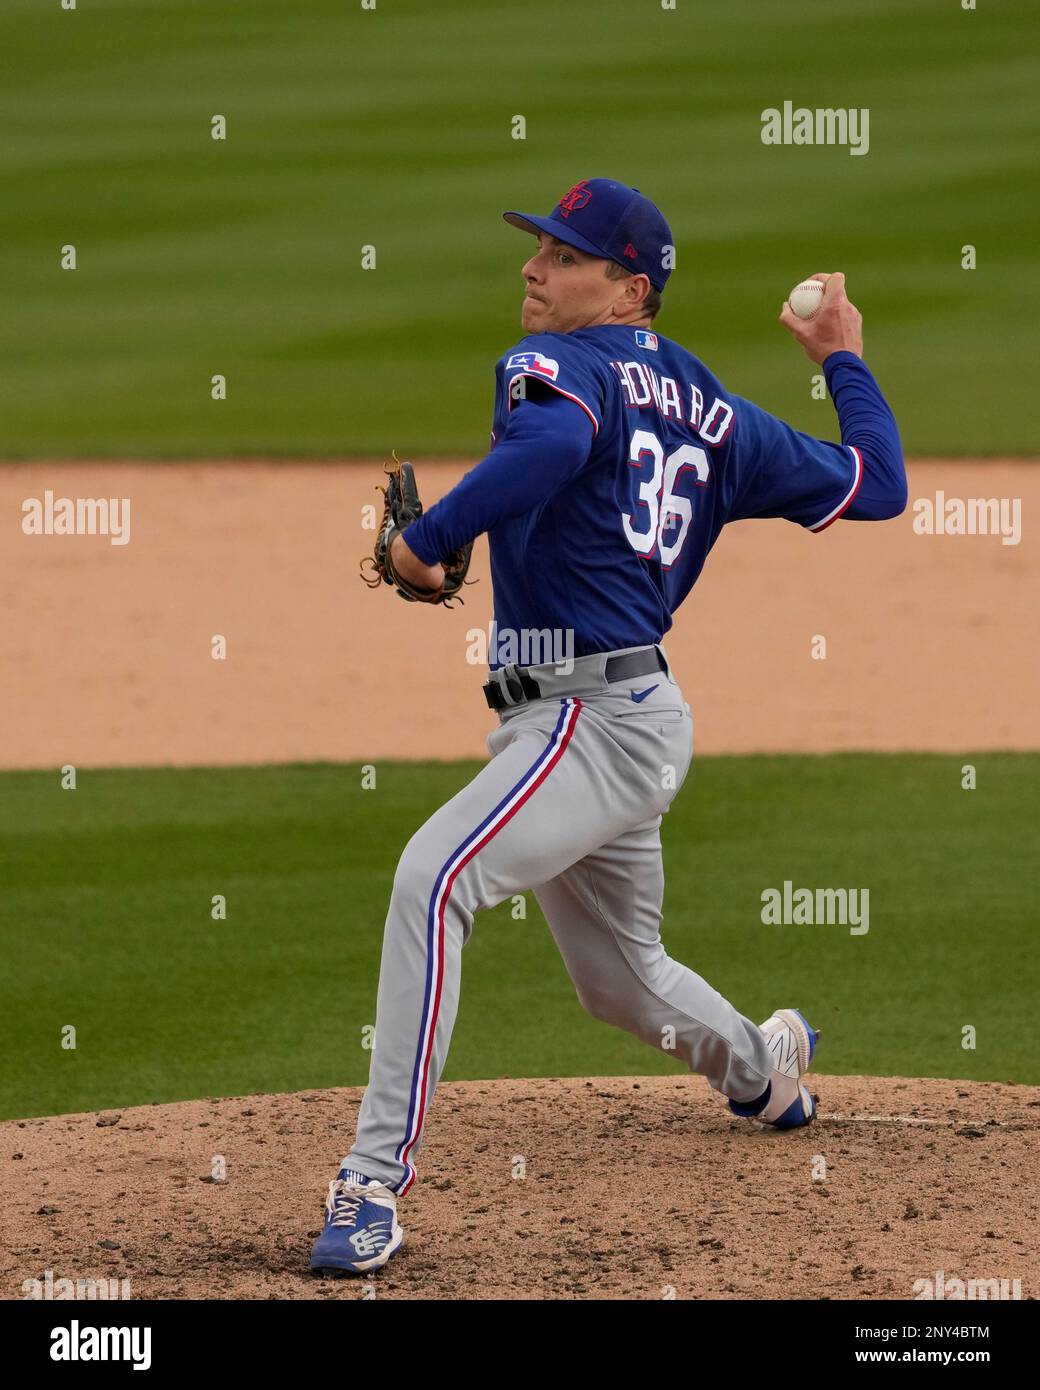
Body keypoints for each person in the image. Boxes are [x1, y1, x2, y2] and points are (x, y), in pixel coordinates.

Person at [309, 177, 907, 1276]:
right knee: (618, 978)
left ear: (630, 289)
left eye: (564, 255)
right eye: (537, 246)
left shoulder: (561, 368)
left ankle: (370, 1183)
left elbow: (544, 454)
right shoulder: (716, 409)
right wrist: (837, 356)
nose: (534, 268)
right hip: (626, 716)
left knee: (433, 881)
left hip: (589, 723)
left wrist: (426, 536)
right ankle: (764, 1071)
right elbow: (875, 485)